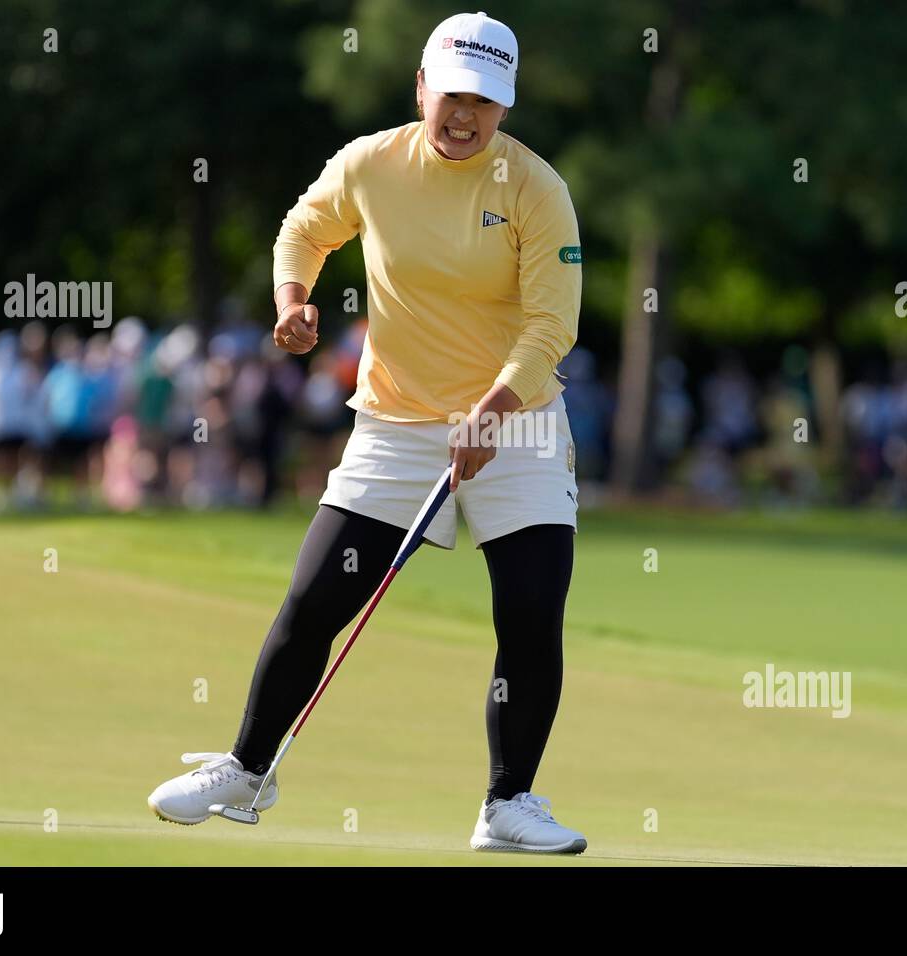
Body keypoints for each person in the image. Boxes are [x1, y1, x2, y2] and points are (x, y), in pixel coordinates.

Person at [148, 11, 587, 853]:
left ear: (507, 107)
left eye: (485, 103)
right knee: (315, 601)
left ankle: (509, 804)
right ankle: (246, 767)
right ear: (421, 87)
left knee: (531, 613)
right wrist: (291, 302)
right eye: (452, 95)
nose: (465, 116)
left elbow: (551, 325)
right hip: (396, 421)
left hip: (519, 423)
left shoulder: (536, 188)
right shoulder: (371, 164)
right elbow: (303, 231)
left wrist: (493, 410)